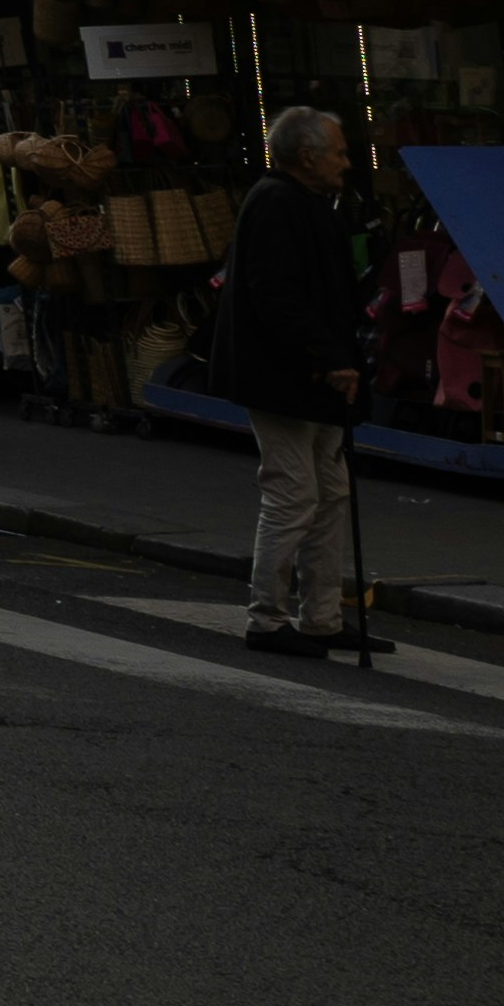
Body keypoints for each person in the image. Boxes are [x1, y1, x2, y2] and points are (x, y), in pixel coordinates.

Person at [218, 106, 380, 662]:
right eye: (338, 151)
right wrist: (329, 356)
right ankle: (266, 620)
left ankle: (321, 618)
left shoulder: (300, 202)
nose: (347, 161)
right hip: (284, 376)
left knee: (331, 492)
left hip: (310, 374)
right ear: (307, 155)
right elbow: (277, 295)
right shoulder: (277, 202)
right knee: (294, 494)